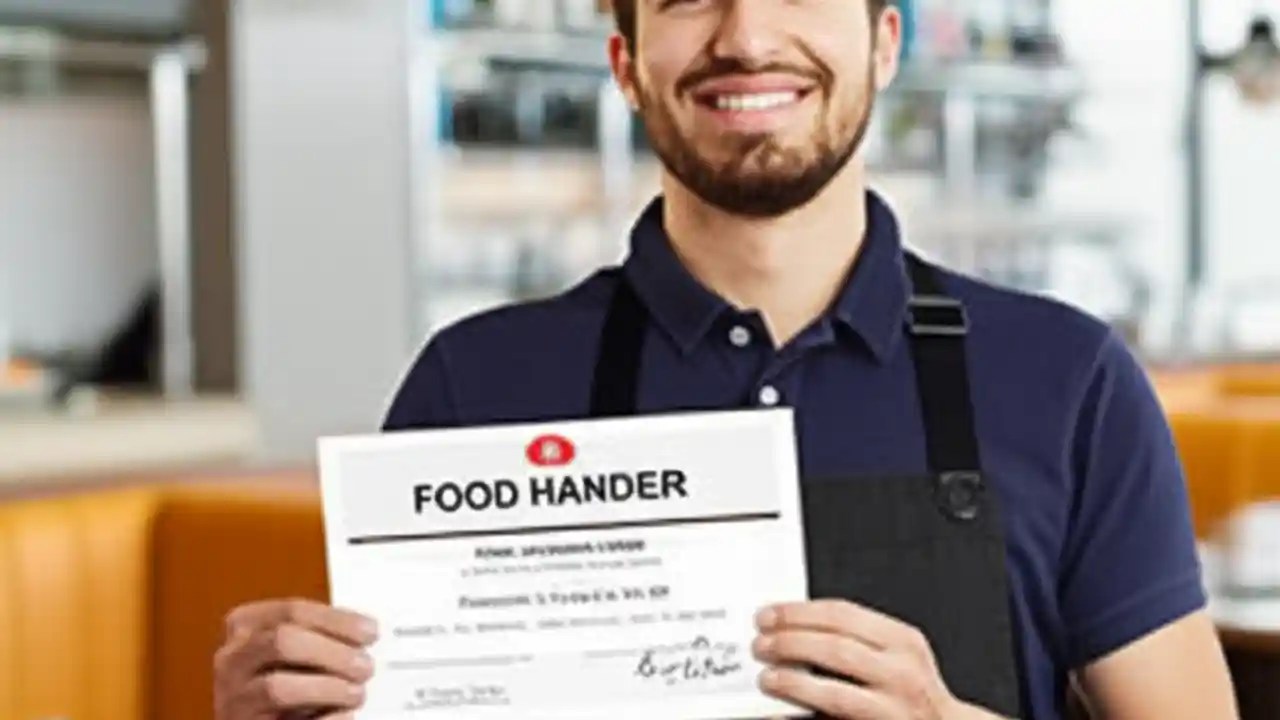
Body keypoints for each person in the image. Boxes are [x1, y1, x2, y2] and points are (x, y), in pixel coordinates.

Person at [213, 1, 1240, 718]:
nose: (746, 36)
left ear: (883, 44)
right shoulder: (472, 386)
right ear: (624, 65)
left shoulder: (1066, 380)